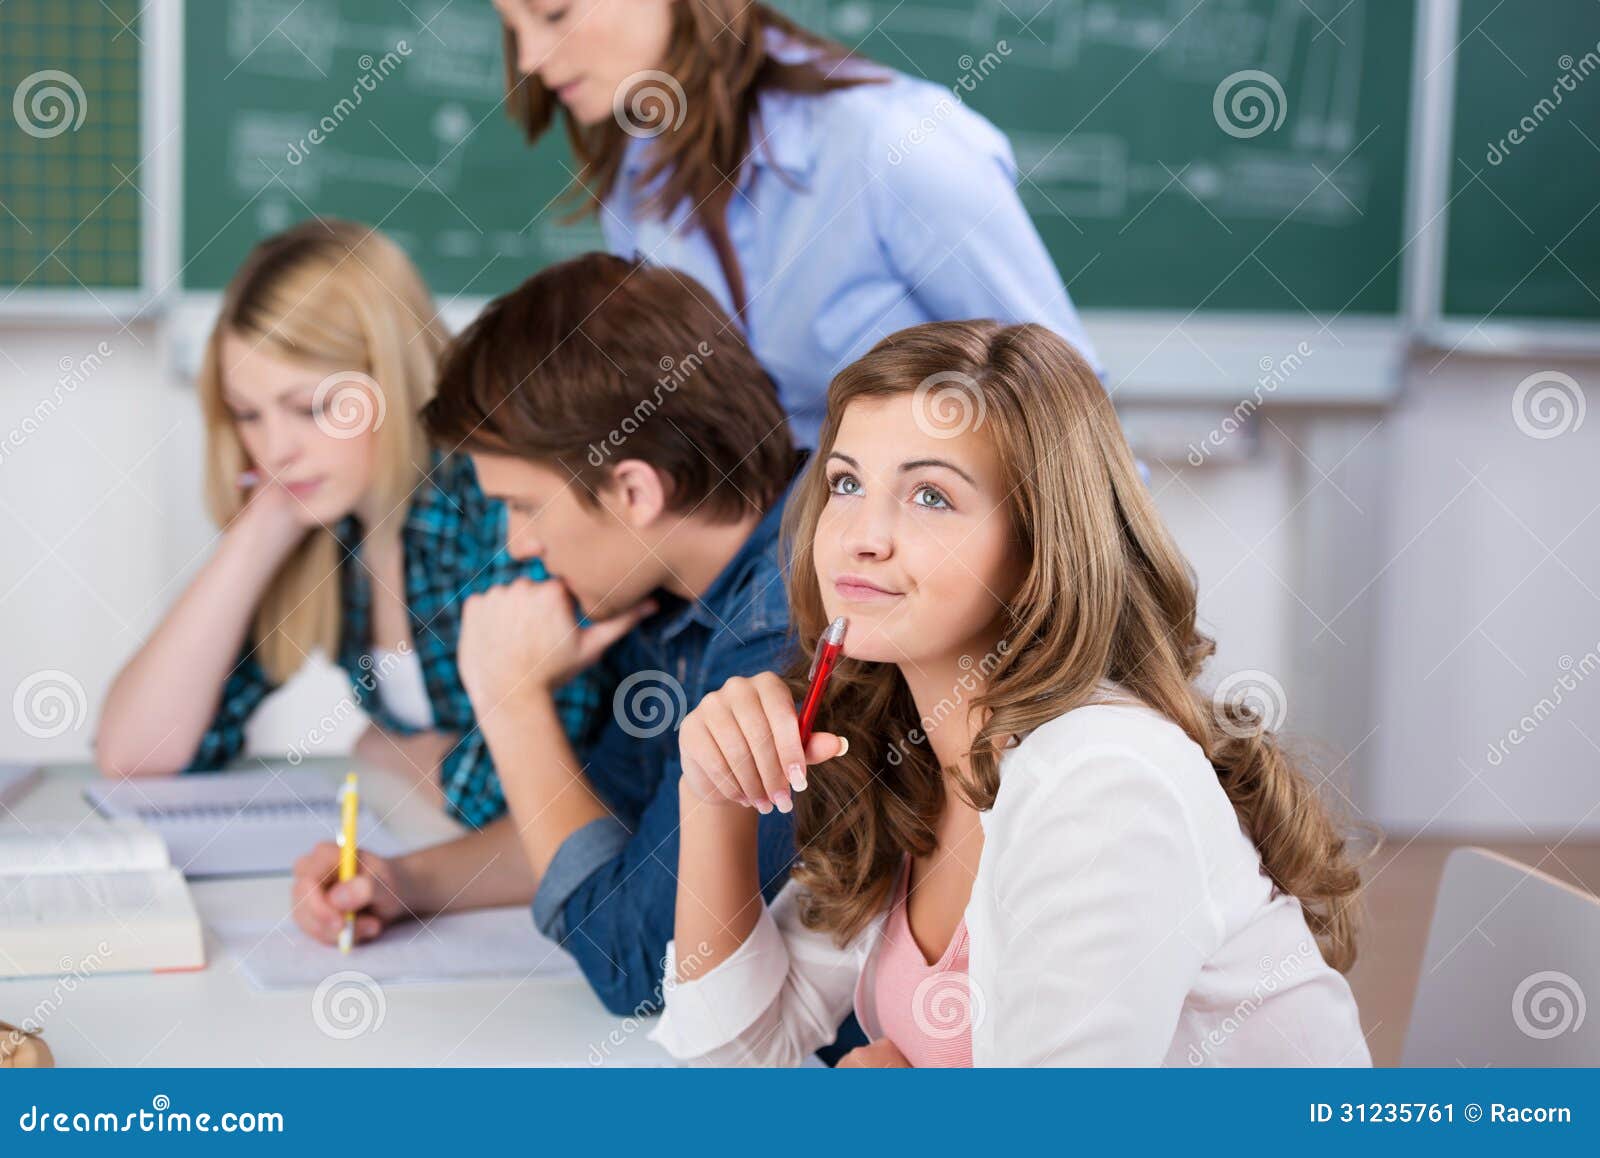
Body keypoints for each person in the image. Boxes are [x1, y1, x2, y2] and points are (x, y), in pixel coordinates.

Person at [654, 320, 1371, 1066]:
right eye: (846, 482)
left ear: (1037, 547)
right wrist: (713, 800)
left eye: (930, 495)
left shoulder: (1103, 778)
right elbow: (733, 1060)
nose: (860, 536)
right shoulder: (904, 751)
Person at [289, 253, 816, 1024]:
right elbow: (619, 829)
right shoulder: (673, 593)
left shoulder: (788, 629)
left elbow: (641, 967)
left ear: (634, 489)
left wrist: (510, 697)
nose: (517, 544)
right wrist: (413, 884)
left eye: (525, 505)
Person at [94, 220, 602, 827]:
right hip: (434, 873)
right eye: (246, 414)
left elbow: (525, 793)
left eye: (310, 408)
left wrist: (381, 751)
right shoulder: (326, 520)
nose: (274, 447)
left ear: (387, 378)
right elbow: (136, 756)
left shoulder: (498, 502)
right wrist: (259, 532)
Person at [492, 0, 1100, 446]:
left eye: (551, 13)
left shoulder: (895, 143)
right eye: (511, 26)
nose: (529, 59)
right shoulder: (636, 184)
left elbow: (1068, 406)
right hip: (786, 572)